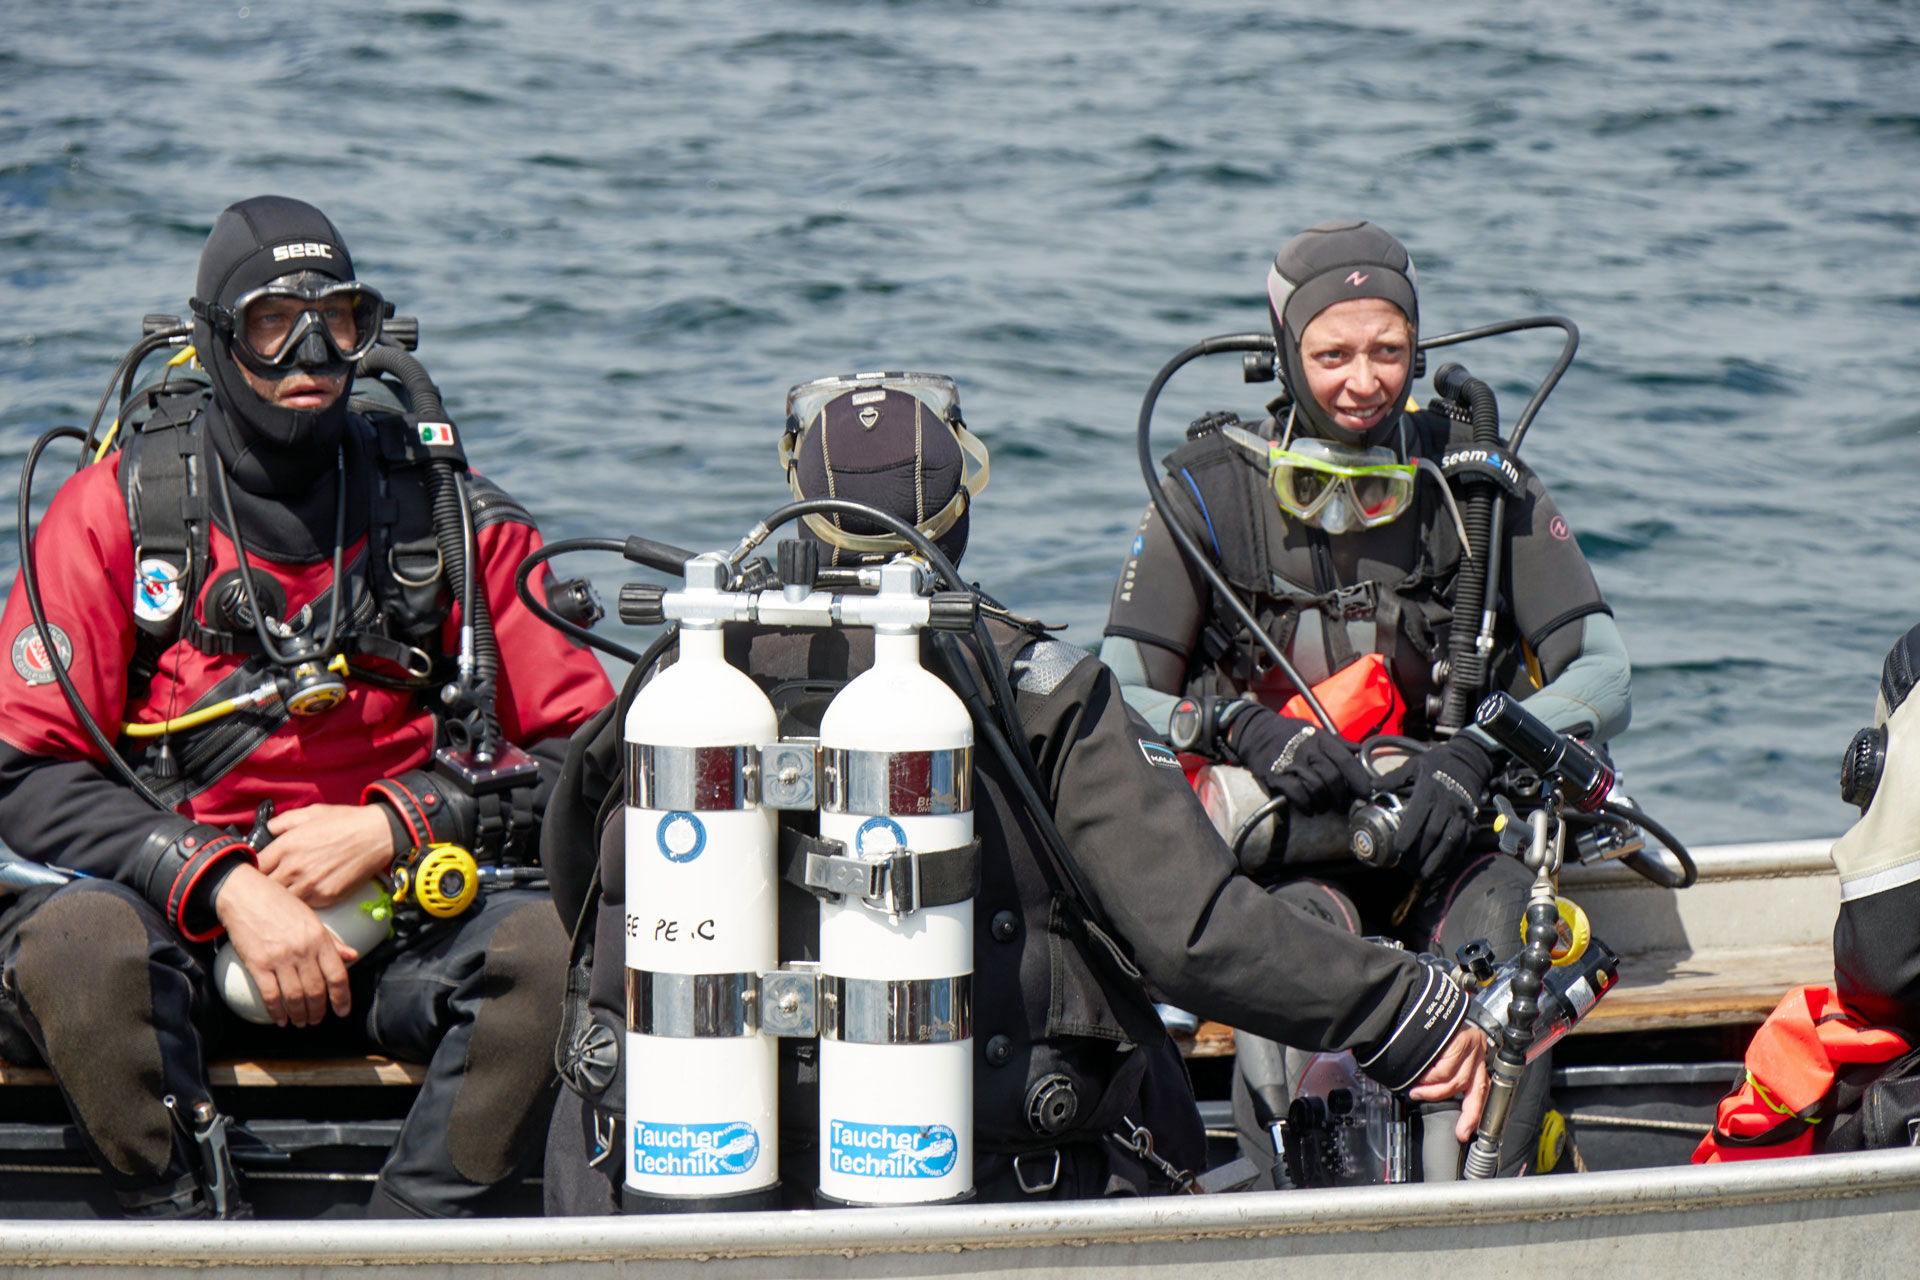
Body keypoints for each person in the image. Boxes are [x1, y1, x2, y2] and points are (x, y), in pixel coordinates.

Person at [540, 371, 1489, 1212]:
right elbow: (1195, 938)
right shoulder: (1038, 689)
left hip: (665, 1167)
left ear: (801, 501)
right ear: (958, 508)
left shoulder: (680, 676)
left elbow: (578, 871)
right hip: (988, 1171)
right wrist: (1405, 1009)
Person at [0, 195, 613, 1218]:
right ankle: (187, 1231)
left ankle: (403, 1244)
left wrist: (397, 821)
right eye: (274, 320)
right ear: (211, 338)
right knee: (74, 952)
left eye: (342, 319)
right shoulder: (120, 514)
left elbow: (580, 757)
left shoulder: (446, 517)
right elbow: (24, 768)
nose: (312, 351)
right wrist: (221, 879)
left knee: (552, 956)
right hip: (172, 925)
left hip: (395, 911)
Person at [1100, 220, 1631, 1176]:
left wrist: (1481, 756)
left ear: (1418, 350)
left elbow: (1604, 674)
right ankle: (1308, 1215)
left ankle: (1482, 1217)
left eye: (1388, 351)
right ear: (1283, 353)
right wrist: (1235, 726)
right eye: (1332, 353)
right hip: (1283, 850)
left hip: (1448, 842)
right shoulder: (1210, 491)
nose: (1363, 379)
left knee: (1518, 958)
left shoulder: (1478, 486)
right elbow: (1121, 694)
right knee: (1291, 970)